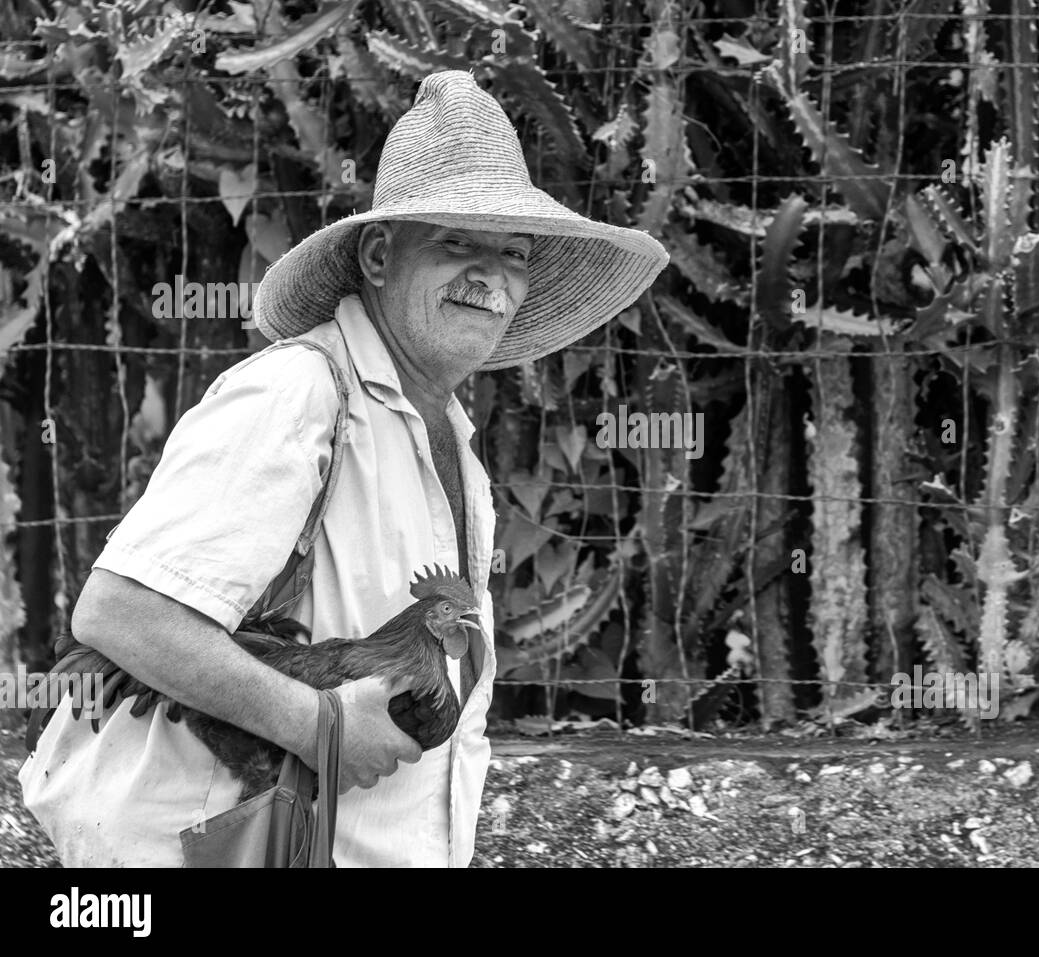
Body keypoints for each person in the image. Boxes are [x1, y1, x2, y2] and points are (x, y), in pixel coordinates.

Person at [20, 69, 668, 867]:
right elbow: (117, 613)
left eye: (513, 252)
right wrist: (314, 725)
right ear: (377, 253)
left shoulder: (451, 442)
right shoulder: (297, 393)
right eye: (457, 242)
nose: (491, 276)